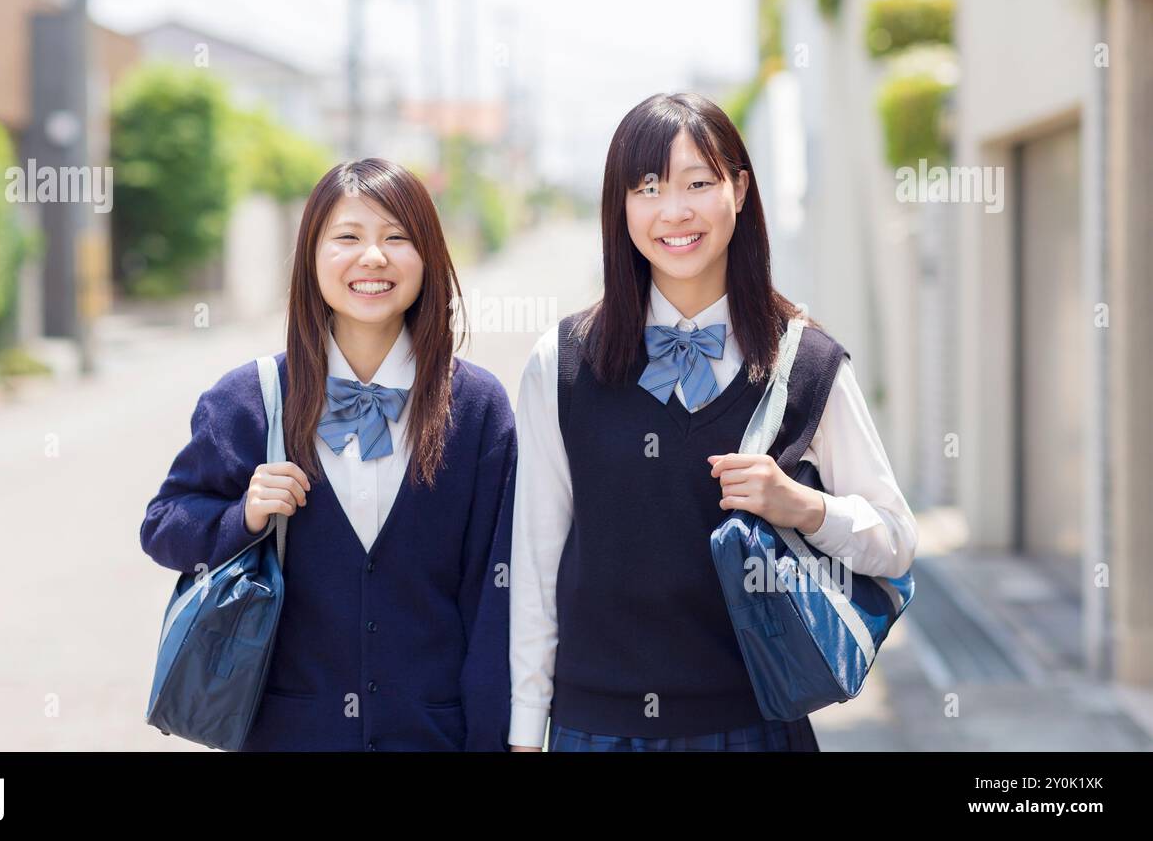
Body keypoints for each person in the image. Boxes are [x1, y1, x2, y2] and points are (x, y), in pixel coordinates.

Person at [508, 92, 918, 752]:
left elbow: (896, 541)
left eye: (698, 183)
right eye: (647, 188)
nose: (674, 211)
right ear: (621, 206)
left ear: (740, 189)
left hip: (756, 727)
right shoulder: (561, 362)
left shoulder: (806, 361)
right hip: (598, 727)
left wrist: (804, 507)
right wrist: (526, 733)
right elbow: (534, 561)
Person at [142, 159, 515, 751]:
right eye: (348, 237)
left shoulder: (475, 407)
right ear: (312, 256)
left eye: (397, 237)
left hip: (432, 734)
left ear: (430, 258)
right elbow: (162, 528)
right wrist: (244, 516)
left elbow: (493, 594)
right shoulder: (251, 399)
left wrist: (493, 737)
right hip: (286, 733)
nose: (373, 257)